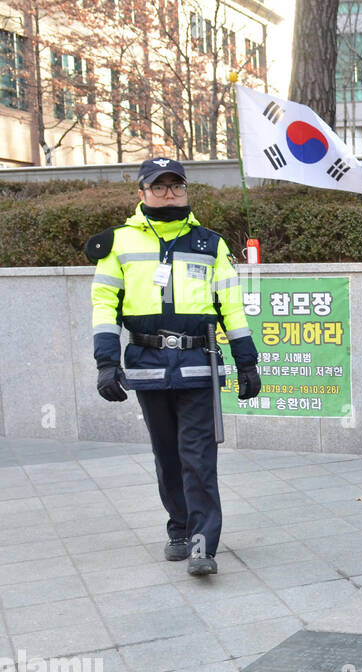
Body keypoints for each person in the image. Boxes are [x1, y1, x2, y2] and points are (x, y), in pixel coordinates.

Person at [87, 157, 261, 576]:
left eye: (176, 186)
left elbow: (231, 308)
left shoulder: (210, 243)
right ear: (142, 193)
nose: (169, 193)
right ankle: (179, 529)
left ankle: (203, 544)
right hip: (146, 363)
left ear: (186, 190)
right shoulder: (120, 243)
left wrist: (246, 361)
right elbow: (104, 304)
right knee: (166, 455)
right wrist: (106, 362)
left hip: (198, 362)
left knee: (198, 457)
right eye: (159, 186)